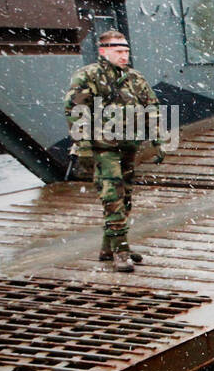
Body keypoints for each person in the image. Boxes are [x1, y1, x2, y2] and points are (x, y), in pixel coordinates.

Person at [64, 29, 164, 272]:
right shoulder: (87, 76)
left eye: (127, 51)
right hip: (103, 148)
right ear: (103, 51)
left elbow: (151, 107)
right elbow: (76, 113)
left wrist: (157, 139)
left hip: (128, 147)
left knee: (125, 196)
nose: (124, 56)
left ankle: (109, 247)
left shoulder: (134, 78)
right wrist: (83, 148)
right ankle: (121, 251)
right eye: (119, 51)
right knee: (112, 196)